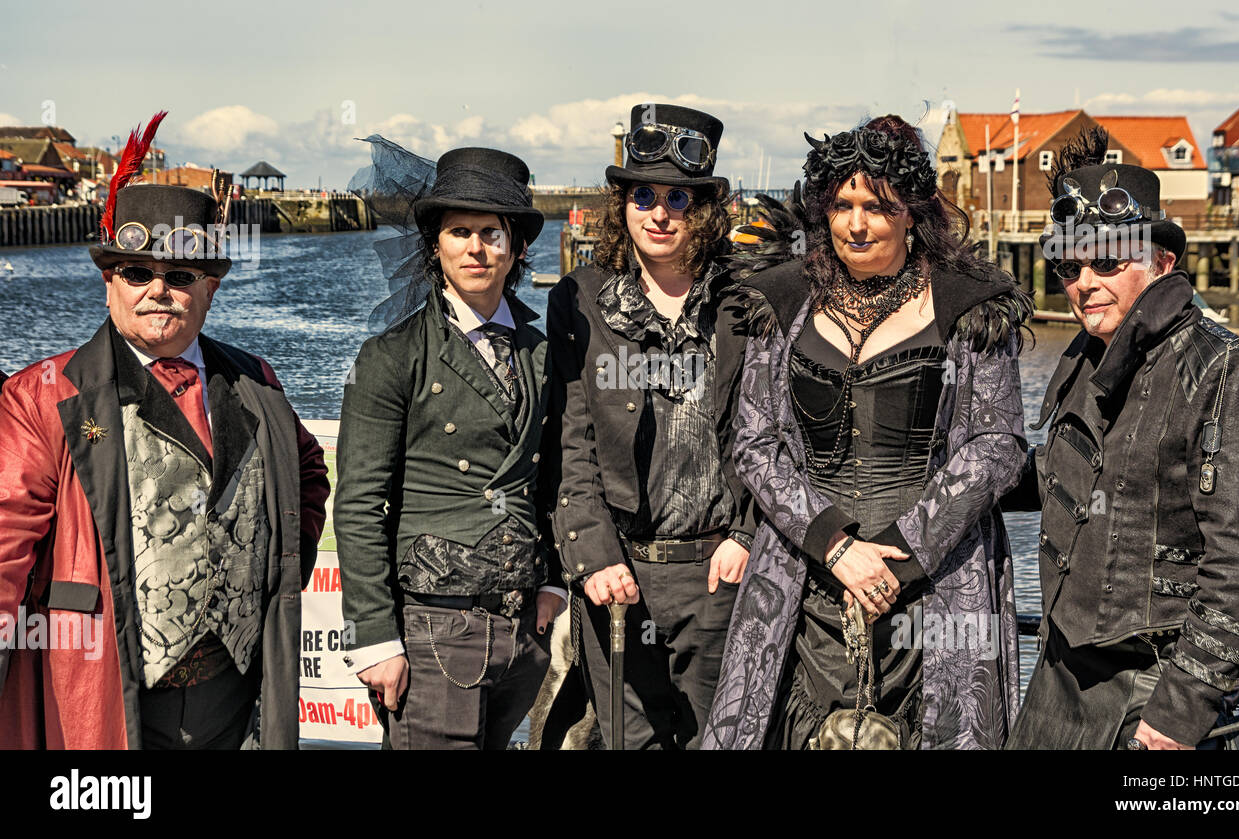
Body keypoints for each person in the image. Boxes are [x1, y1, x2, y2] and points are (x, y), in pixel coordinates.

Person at [0, 112, 330, 749]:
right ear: (108, 285)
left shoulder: (256, 382)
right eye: (137, 273)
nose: (159, 291)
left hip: (234, 692)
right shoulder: (43, 394)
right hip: (101, 687)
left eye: (180, 276)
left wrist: (273, 565)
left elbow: (307, 476)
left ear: (209, 289)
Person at [704, 115, 1033, 750]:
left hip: (934, 586)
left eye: (877, 207)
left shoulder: (971, 303)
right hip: (804, 580)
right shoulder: (779, 302)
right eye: (842, 205)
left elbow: (996, 446)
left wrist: (901, 555)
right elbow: (755, 441)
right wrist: (834, 546)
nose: (857, 224)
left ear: (912, 211)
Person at [1003, 130, 1239, 750]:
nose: (1084, 282)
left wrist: (1181, 711)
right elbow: (1062, 473)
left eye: (1107, 260)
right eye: (1069, 267)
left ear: (1162, 261)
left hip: (1153, 690)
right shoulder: (1085, 354)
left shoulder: (1226, 372)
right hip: (1060, 677)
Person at [335, 143, 566, 750]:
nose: (475, 248)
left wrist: (554, 581)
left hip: (521, 629)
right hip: (432, 626)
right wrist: (374, 639)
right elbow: (359, 503)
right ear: (435, 245)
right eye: (459, 231)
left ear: (515, 247)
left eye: (490, 233)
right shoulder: (391, 357)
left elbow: (556, 475)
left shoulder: (543, 353)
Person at [548, 103, 756, 749]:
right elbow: (570, 439)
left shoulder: (744, 299)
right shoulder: (580, 298)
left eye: (677, 196)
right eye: (643, 194)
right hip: (622, 575)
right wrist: (593, 556)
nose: (659, 211)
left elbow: (771, 424)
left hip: (720, 570)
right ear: (624, 204)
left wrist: (748, 532)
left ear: (704, 207)